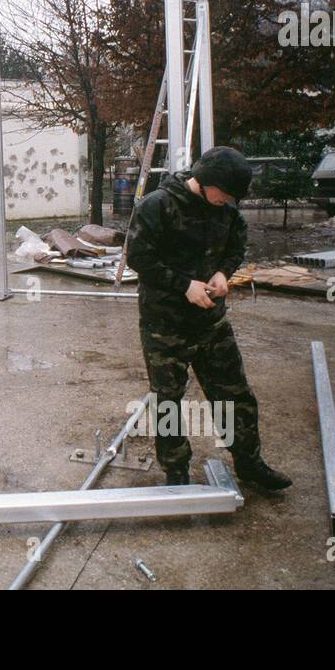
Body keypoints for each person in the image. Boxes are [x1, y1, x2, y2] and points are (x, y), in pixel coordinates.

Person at [126, 146, 291, 491]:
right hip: (165, 323)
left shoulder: (226, 211)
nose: (228, 201)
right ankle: (176, 471)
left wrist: (222, 272)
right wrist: (183, 285)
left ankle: (249, 463)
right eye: (224, 194)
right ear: (205, 181)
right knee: (168, 400)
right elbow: (139, 258)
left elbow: (236, 246)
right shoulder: (157, 206)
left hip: (210, 322)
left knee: (234, 394)